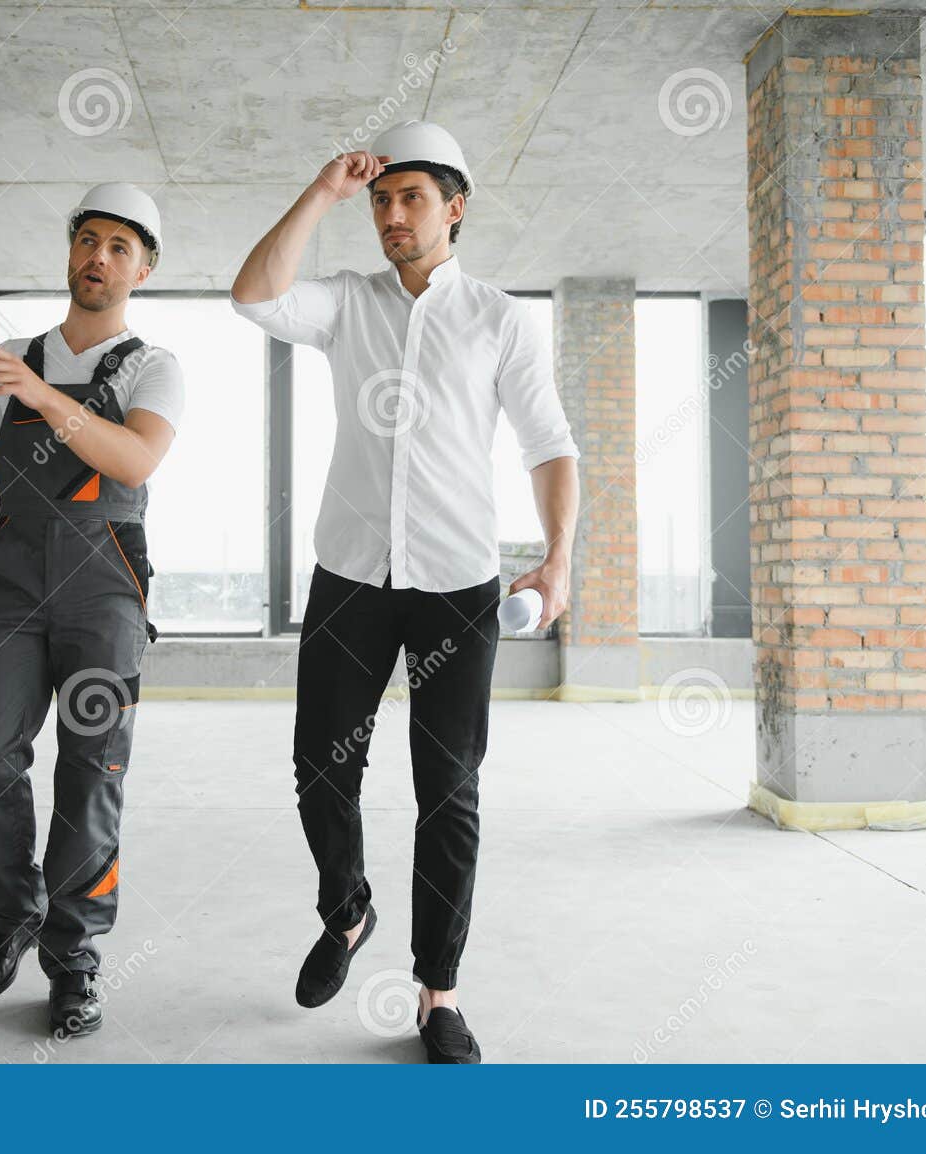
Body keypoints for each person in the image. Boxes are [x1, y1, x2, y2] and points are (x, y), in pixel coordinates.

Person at [230, 121, 580, 1063]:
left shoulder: (502, 318)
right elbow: (252, 293)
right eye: (382, 199)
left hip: (457, 587)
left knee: (448, 793)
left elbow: (550, 443)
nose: (391, 214)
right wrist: (321, 192)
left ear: (455, 207)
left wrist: (558, 557)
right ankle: (347, 912)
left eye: (410, 197)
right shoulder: (346, 304)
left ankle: (438, 994)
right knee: (319, 768)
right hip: (349, 576)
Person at [0, 183, 183, 1039]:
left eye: (118, 247)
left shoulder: (151, 367)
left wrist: (39, 393)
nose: (97, 258)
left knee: (90, 771)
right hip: (11, 584)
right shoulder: (15, 360)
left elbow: (134, 460)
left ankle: (74, 960)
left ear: (142, 268)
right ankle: (16, 909)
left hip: (105, 587)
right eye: (87, 241)